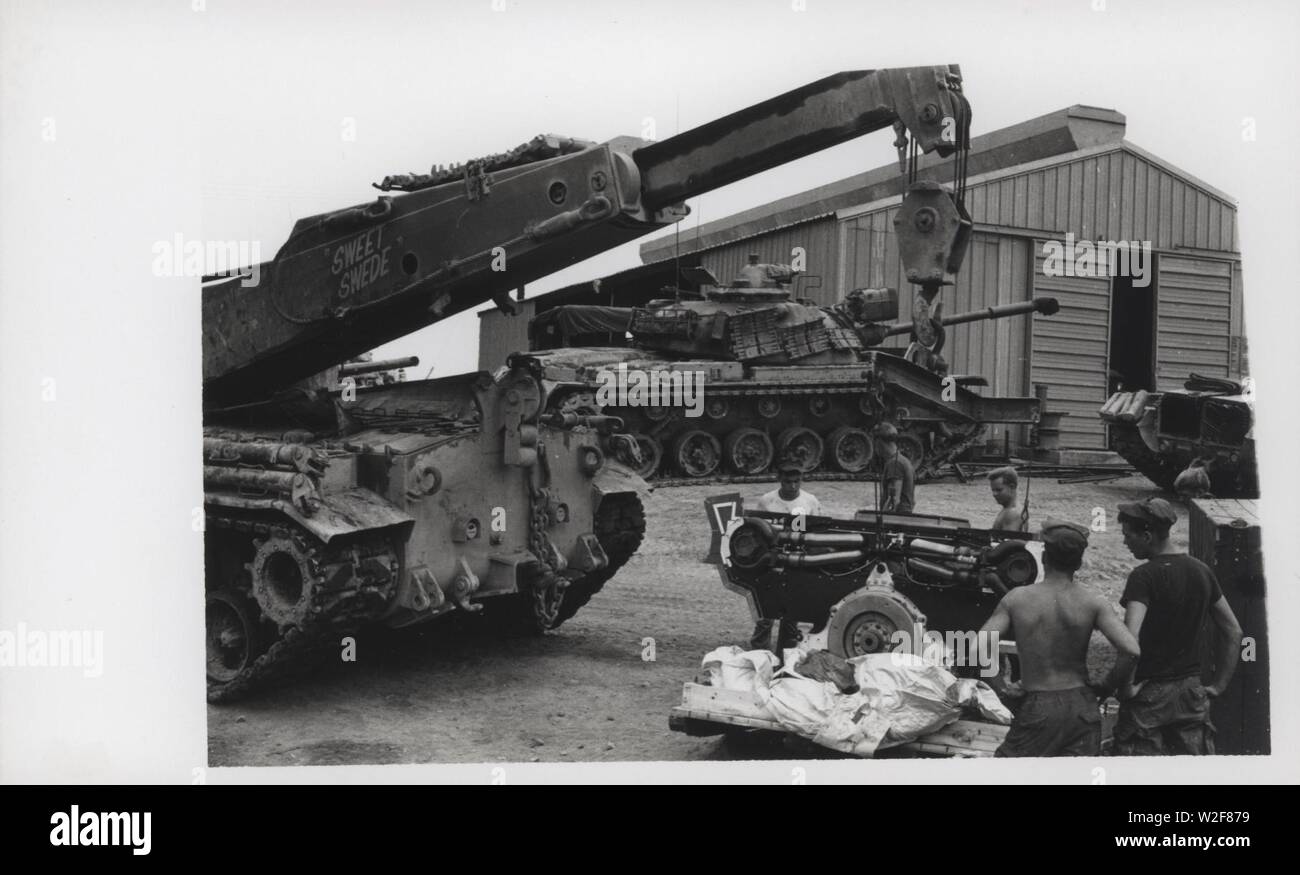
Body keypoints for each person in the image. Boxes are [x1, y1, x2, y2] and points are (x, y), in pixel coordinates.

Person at [980, 518, 1141, 757]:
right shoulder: (1093, 602)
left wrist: (1000, 689)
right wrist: (1108, 685)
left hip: (1039, 705)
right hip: (1082, 707)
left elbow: (977, 647)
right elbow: (1131, 650)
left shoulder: (1017, 599)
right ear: (1079, 563)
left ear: (1044, 557)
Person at [1114, 498, 1243, 756]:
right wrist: (1218, 686)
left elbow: (1130, 640)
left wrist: (1125, 686)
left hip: (1148, 695)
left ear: (1147, 535)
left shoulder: (1143, 577)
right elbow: (1234, 631)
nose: (1125, 542)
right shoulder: (1202, 571)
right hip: (1191, 694)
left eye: (1128, 535)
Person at [750, 462, 820, 652]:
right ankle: (759, 652)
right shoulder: (767, 501)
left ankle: (786, 653)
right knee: (766, 612)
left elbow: (817, 533)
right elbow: (759, 530)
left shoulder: (810, 501)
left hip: (797, 561)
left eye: (797, 481)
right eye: (788, 482)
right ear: (780, 479)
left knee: (792, 612)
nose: (793, 486)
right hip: (771, 560)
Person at [871, 423, 914, 513]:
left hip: (897, 518)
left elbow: (893, 501)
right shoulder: (902, 460)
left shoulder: (894, 464)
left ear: (879, 442)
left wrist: (883, 518)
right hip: (903, 516)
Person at [987, 466, 1026, 532]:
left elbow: (1009, 541)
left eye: (999, 490)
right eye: (993, 490)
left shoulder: (1012, 514)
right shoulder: (1010, 509)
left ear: (1012, 487)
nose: (994, 494)